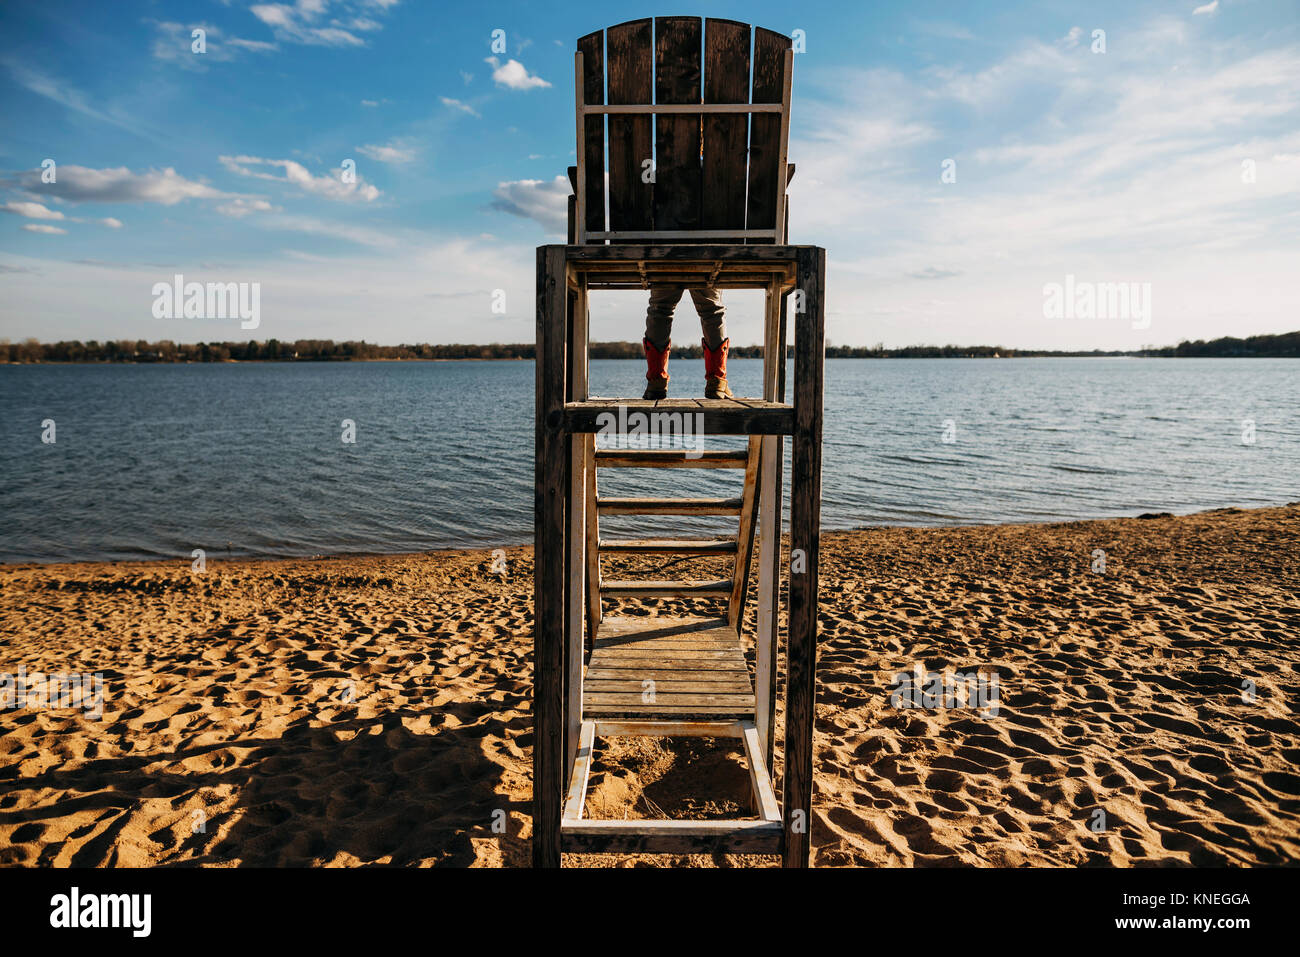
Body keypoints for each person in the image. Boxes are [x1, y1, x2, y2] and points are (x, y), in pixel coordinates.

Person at [641, 284, 734, 400]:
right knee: (712, 311)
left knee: (660, 309)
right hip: (705, 272)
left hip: (665, 273)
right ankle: (716, 382)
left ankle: (656, 382)